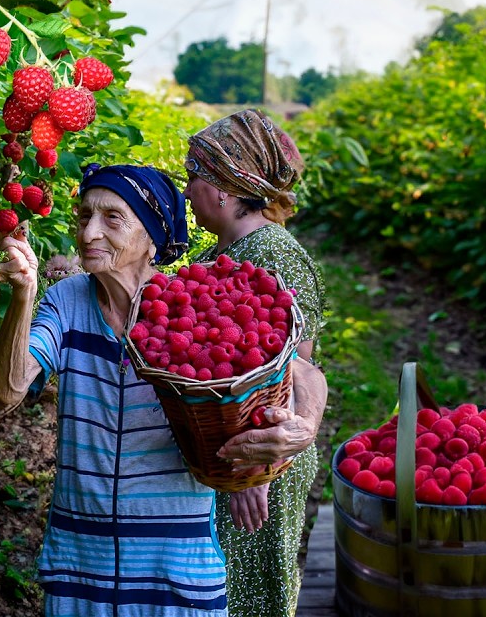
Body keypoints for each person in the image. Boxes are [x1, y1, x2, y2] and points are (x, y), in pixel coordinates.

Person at [0, 164, 269, 616]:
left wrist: (252, 459)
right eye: (85, 216)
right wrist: (23, 294)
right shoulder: (67, 301)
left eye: (113, 218)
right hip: (82, 564)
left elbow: (245, 401)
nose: (89, 233)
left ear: (153, 237)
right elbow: (8, 390)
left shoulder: (192, 310)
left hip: (174, 564)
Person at [184, 109, 329, 617]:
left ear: (224, 187)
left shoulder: (275, 254)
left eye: (193, 177)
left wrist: (258, 469)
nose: (187, 191)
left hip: (260, 454)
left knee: (251, 587)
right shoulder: (220, 251)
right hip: (224, 449)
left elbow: (295, 367)